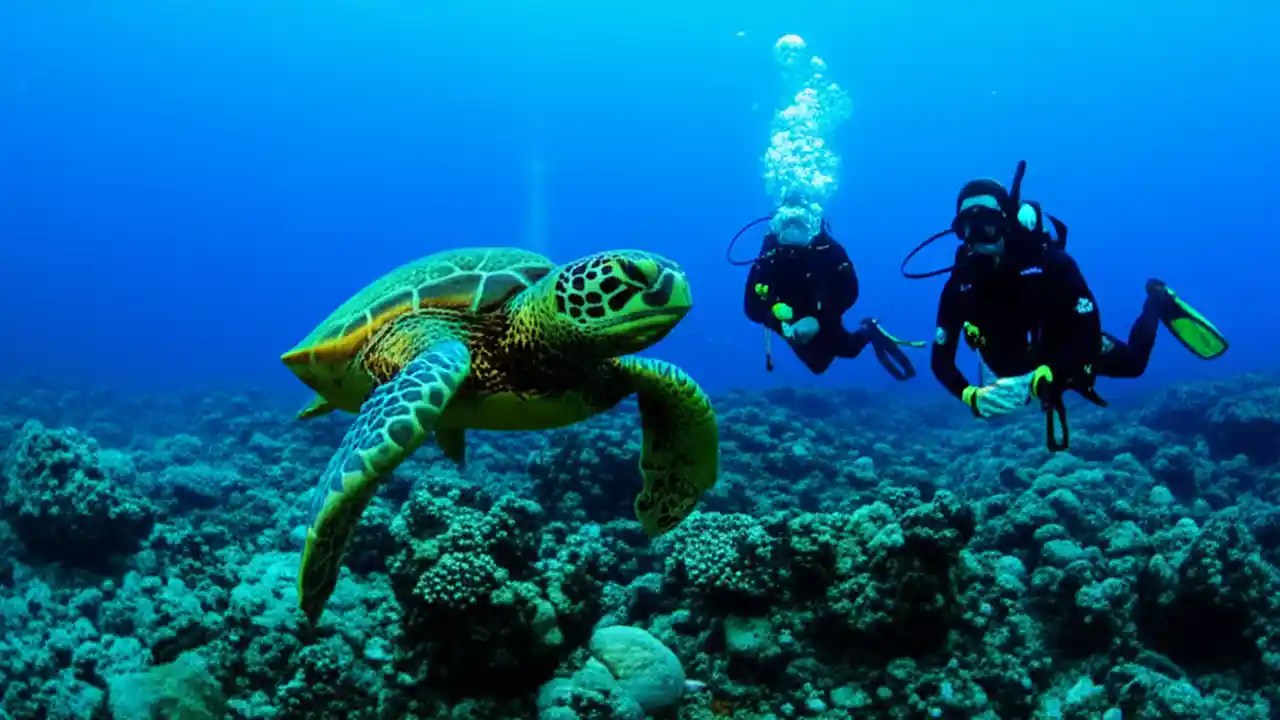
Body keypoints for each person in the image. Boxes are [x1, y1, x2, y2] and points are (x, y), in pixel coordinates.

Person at [906, 161, 1229, 449]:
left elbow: (1087, 335)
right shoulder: (961, 284)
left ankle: (1157, 300)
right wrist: (970, 396)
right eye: (968, 226)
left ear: (1006, 221)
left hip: (1066, 348)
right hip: (1014, 363)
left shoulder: (1051, 263)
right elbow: (941, 361)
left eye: (987, 223)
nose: (978, 235)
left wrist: (1054, 371)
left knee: (1133, 365)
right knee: (1007, 375)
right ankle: (1032, 378)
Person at [733, 217, 924, 378]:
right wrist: (777, 318)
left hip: (823, 313)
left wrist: (819, 317)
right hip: (785, 318)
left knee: (848, 350)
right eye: (788, 223)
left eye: (799, 223)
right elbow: (752, 309)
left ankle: (869, 329)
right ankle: (831, 337)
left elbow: (849, 292)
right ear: (778, 225)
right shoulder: (769, 257)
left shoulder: (827, 250)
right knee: (817, 366)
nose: (793, 231)